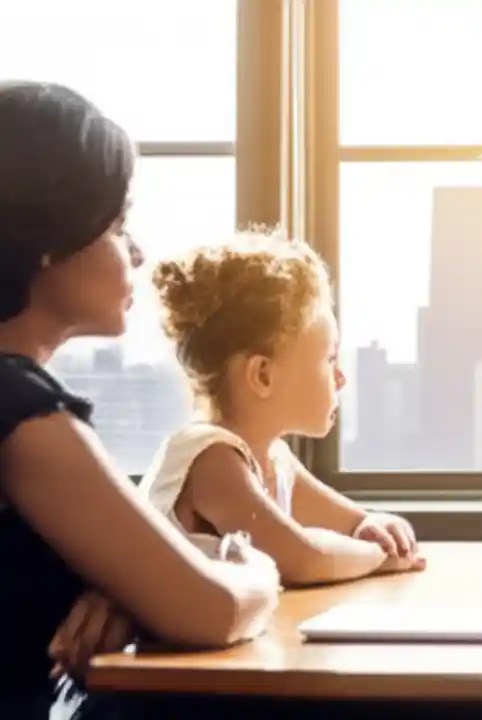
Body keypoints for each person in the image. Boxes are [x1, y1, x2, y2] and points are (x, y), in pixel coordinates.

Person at [0, 81, 280, 716]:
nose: (138, 252)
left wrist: (129, 587)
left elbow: (169, 579)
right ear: (51, 235)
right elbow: (212, 609)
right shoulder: (22, 415)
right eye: (118, 224)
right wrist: (258, 568)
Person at [140, 230, 424, 587]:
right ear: (263, 375)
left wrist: (374, 524)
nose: (340, 379)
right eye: (329, 359)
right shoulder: (212, 460)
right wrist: (379, 555)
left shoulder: (275, 459)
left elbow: (352, 524)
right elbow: (300, 560)